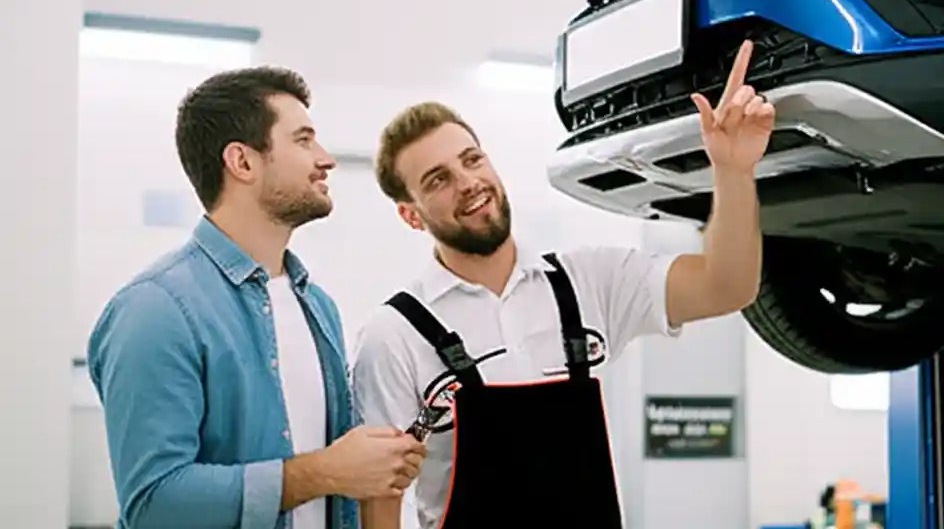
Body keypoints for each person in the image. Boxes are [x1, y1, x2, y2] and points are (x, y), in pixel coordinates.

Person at [350, 40, 774, 529]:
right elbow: (380, 501)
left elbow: (727, 286)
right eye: (437, 180)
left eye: (472, 159)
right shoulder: (394, 336)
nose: (467, 182)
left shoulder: (588, 282)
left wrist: (733, 171)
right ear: (411, 215)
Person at [87, 66, 427, 529]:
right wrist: (324, 471)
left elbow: (340, 483)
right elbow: (155, 505)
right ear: (242, 162)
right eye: (303, 141)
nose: (326, 159)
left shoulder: (318, 306)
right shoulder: (154, 309)